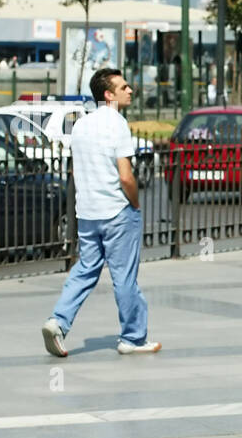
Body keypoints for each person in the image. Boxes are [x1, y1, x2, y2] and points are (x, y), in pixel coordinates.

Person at [41, 68, 160, 357]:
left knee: (85, 270)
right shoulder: (117, 123)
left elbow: (75, 170)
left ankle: (58, 321)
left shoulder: (81, 126)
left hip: (88, 213)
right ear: (109, 95)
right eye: (123, 87)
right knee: (124, 277)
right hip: (117, 212)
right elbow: (126, 177)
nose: (130, 90)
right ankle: (132, 338)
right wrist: (135, 204)